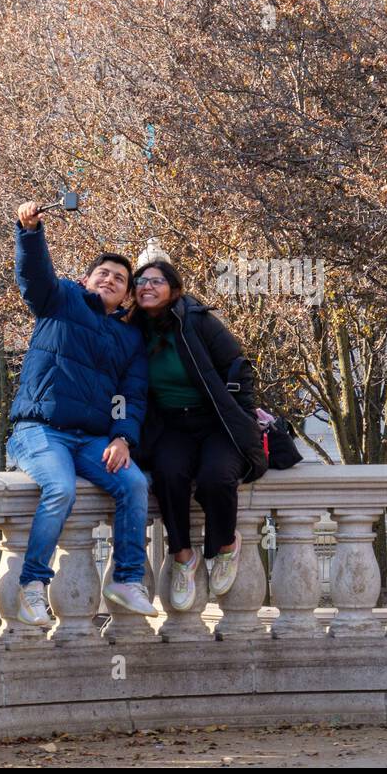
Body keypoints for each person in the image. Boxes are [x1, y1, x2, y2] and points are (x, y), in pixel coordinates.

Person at [7, 200, 154, 627]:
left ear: (127, 296)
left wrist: (123, 438)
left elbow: (132, 395)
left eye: (120, 279)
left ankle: (127, 580)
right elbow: (33, 277)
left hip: (90, 440)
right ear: (87, 279)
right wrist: (29, 231)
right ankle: (32, 586)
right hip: (39, 430)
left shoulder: (129, 341)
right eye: (103, 273)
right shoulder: (62, 300)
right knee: (60, 489)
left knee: (133, 483)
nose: (110, 279)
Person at [130, 258, 267, 612]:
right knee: (168, 476)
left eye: (156, 281)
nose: (147, 286)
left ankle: (224, 546)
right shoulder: (132, 328)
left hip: (217, 422)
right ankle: (182, 557)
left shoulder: (197, 320)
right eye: (141, 280)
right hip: (172, 425)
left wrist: (242, 413)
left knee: (216, 478)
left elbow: (238, 366)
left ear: (174, 289)